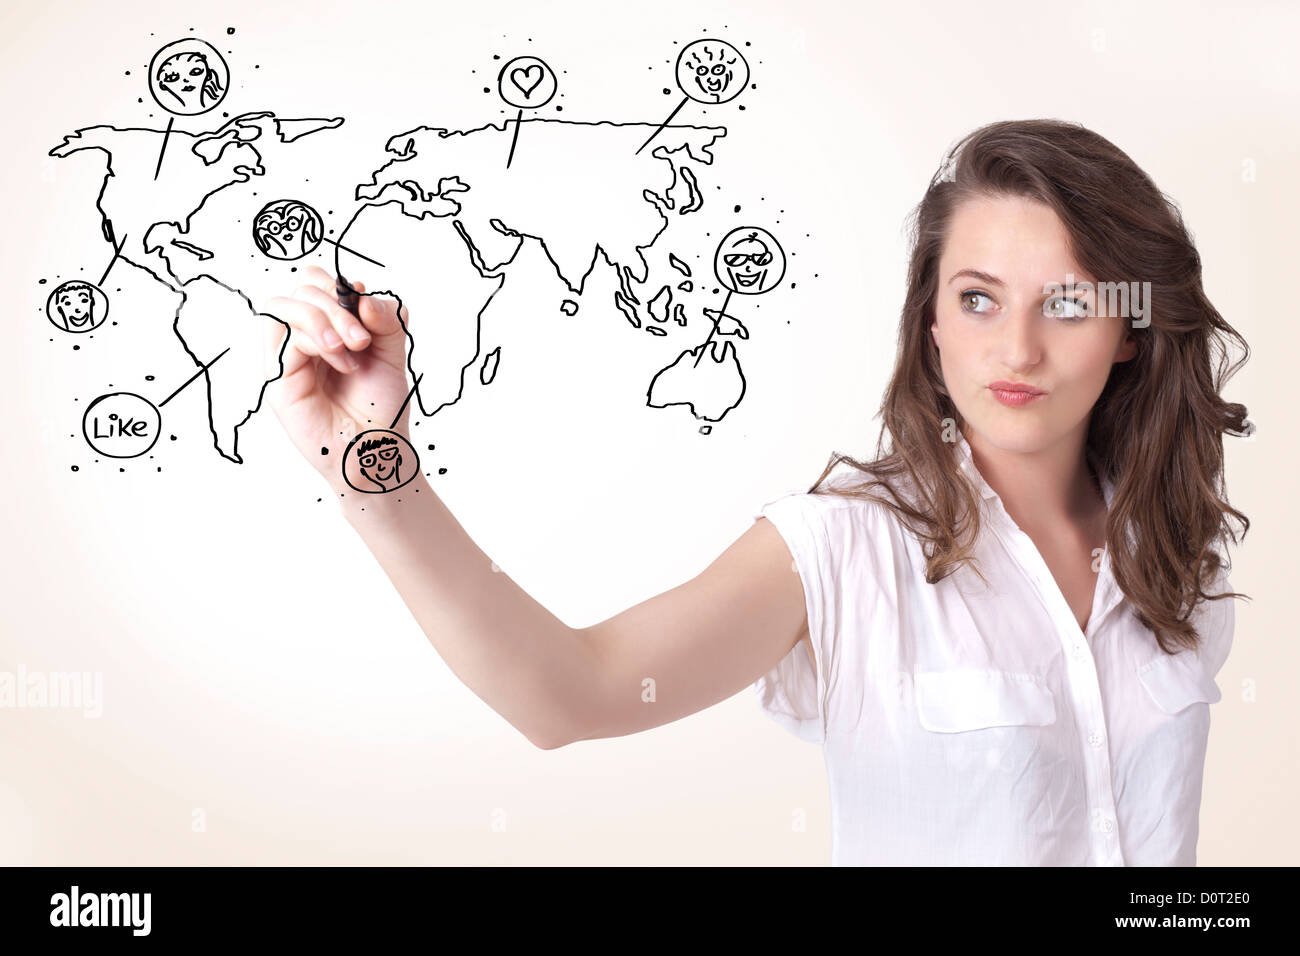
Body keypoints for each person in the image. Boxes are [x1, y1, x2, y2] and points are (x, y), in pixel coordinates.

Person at [263, 119, 1251, 866]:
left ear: (1131, 327)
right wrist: (372, 468)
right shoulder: (843, 546)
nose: (1017, 347)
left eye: (1068, 301)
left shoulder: (1177, 565)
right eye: (978, 297)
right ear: (933, 323)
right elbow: (567, 691)